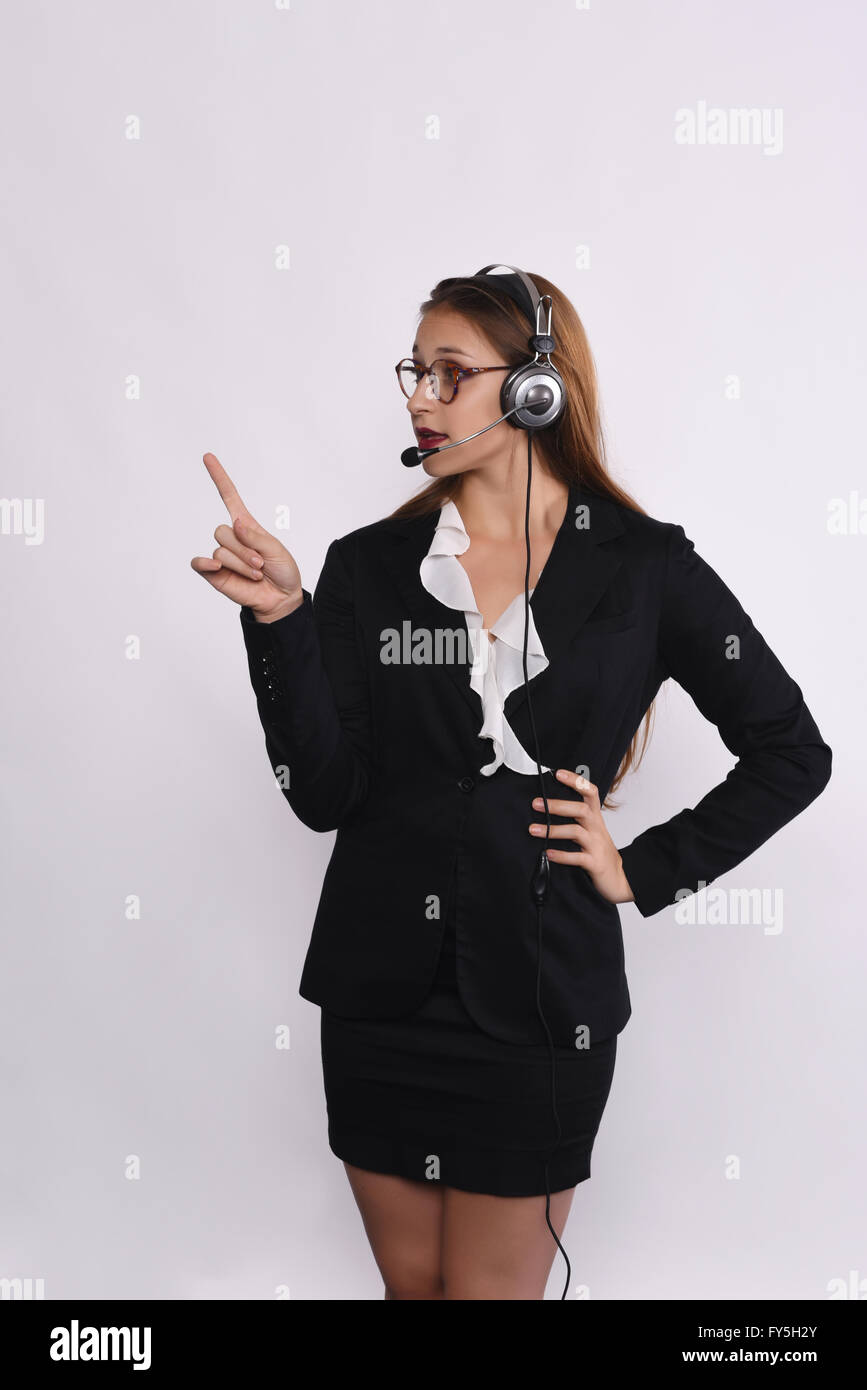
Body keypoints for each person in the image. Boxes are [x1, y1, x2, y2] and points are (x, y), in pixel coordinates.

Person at [190, 270, 832, 1300]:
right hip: (378, 1001)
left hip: (539, 1006)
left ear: (538, 388)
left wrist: (645, 868)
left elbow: (793, 750)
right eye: (417, 371)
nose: (420, 398)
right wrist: (282, 621)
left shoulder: (645, 570)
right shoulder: (369, 567)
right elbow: (323, 792)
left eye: (451, 373)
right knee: (414, 1294)